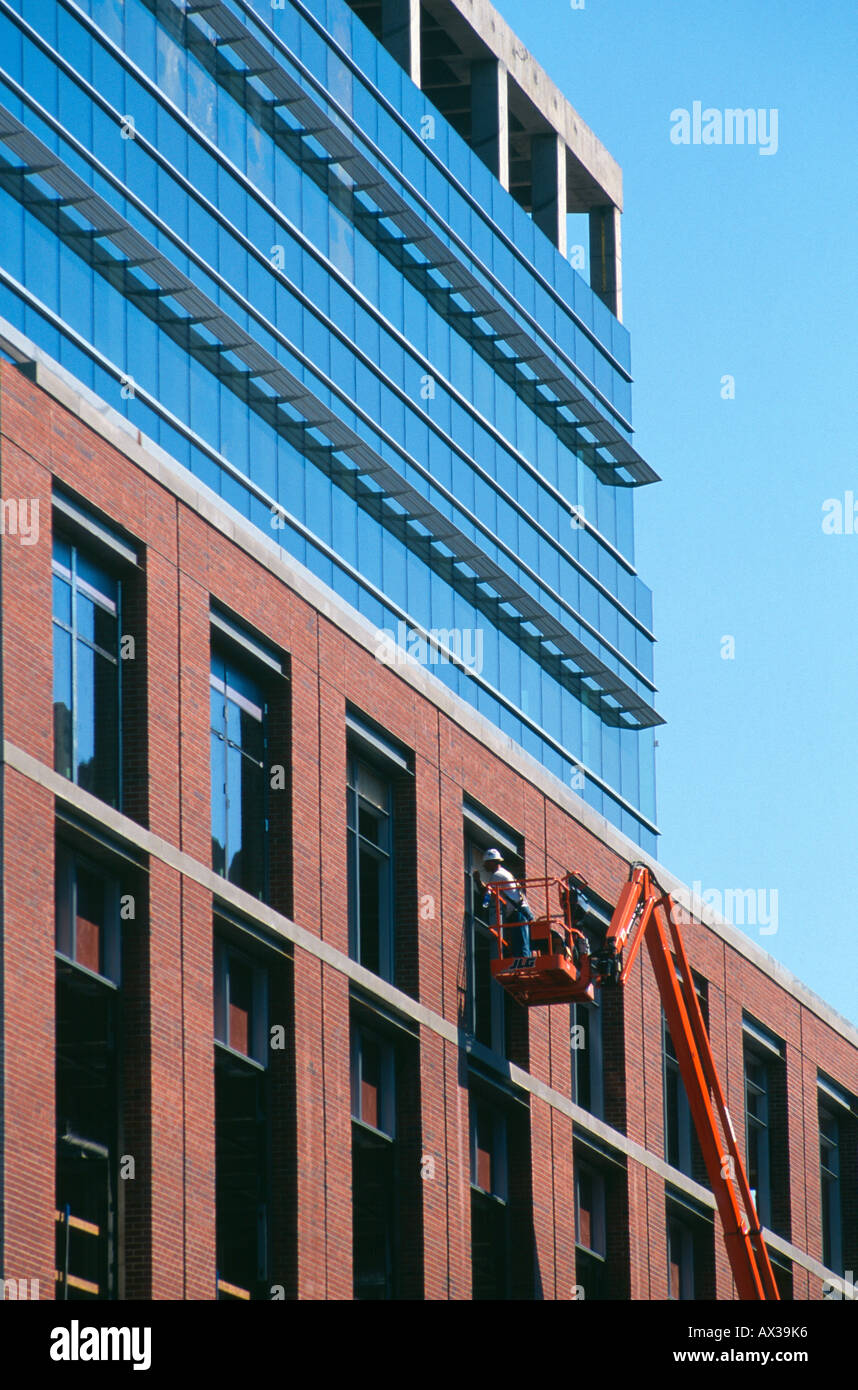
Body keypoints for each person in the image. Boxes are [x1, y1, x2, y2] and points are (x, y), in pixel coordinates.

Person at [479, 848, 533, 958]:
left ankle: (523, 965)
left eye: (486, 863)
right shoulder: (505, 873)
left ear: (492, 862)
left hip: (518, 912)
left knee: (521, 946)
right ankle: (523, 963)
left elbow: (487, 898)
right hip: (520, 910)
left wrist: (477, 882)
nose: (484, 866)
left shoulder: (497, 876)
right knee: (521, 943)